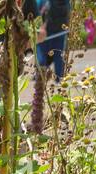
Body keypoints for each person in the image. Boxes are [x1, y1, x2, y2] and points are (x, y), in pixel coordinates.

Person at [24, 0, 71, 133]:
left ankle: (51, 81)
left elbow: (40, 14)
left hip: (50, 34)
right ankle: (57, 80)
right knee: (52, 58)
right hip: (54, 33)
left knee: (47, 59)